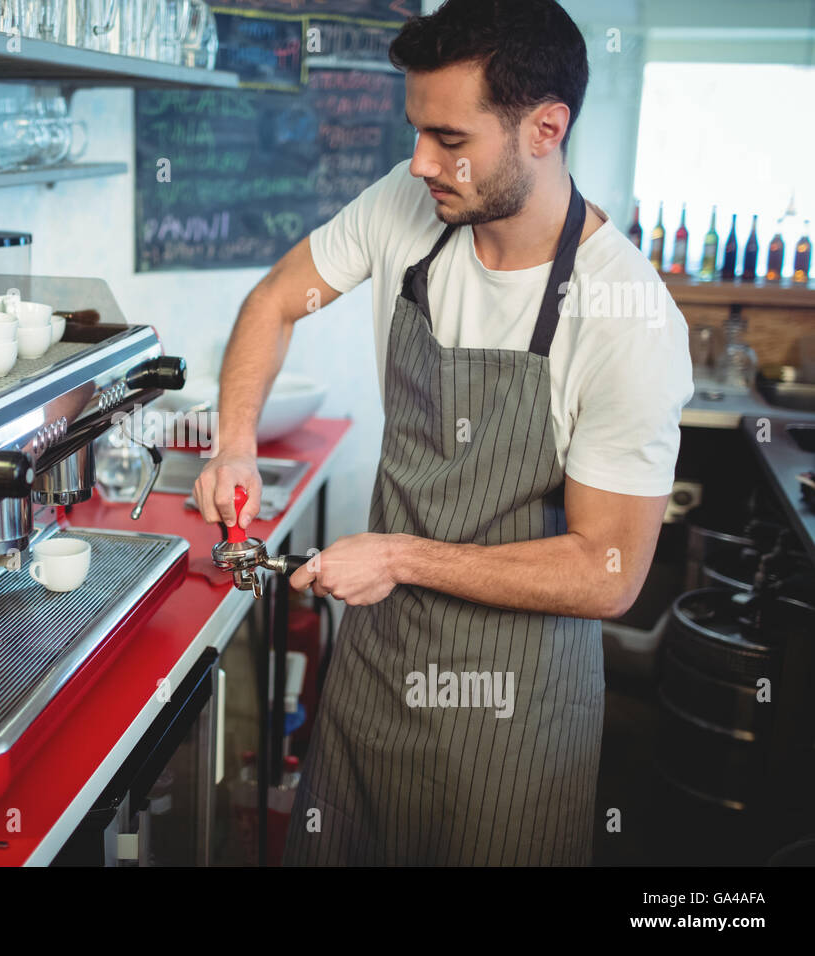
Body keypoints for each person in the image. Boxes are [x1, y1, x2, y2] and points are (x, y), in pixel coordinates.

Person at [192, 0, 693, 865]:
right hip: (377, 666)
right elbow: (275, 301)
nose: (421, 161)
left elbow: (609, 573)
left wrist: (400, 557)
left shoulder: (628, 317)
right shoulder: (411, 202)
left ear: (544, 128)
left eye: (450, 140)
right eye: (417, 130)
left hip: (518, 706)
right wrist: (236, 441)